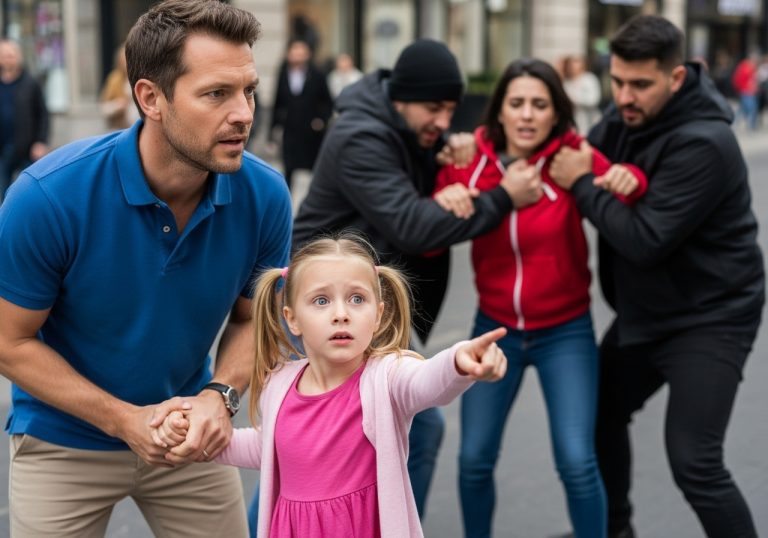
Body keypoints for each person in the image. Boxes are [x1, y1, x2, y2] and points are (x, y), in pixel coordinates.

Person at [0, 1, 292, 536]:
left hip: (191, 431)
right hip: (65, 440)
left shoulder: (266, 194)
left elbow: (255, 321)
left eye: (248, 90)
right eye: (216, 94)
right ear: (150, 98)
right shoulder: (47, 197)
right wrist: (124, 421)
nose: (244, 113)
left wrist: (219, 397)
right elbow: (8, 342)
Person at [549, 15, 764, 538]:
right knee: (599, 415)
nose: (624, 96)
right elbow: (572, 152)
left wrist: (585, 185)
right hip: (646, 314)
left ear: (676, 78)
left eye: (640, 85)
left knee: (696, 462)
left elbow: (644, 239)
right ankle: (614, 532)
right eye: (617, 81)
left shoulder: (705, 143)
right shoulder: (625, 119)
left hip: (711, 318)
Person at [291, 38, 522, 519]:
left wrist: (447, 154)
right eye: (434, 109)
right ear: (402, 99)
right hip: (324, 299)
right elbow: (413, 224)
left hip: (363, 299)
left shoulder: (407, 130)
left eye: (452, 110)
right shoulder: (361, 136)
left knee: (343, 442)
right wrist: (503, 198)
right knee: (337, 443)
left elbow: (425, 200)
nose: (444, 120)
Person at [154, 232, 509, 537]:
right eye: (321, 301)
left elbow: (428, 382)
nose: (342, 313)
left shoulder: (387, 376)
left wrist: (459, 361)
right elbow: (270, 446)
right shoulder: (280, 383)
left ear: (378, 313)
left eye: (357, 299)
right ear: (292, 319)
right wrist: (198, 436)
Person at [433, 58, 646, 538]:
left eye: (539, 104)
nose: (527, 115)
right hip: (494, 331)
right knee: (473, 460)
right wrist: (445, 199)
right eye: (517, 104)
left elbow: (629, 195)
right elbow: (430, 231)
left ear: (556, 112)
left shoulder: (572, 159)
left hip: (565, 333)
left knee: (577, 460)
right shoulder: (472, 162)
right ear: (500, 112)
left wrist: (631, 177)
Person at [268, 38, 333, 190]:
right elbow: (277, 102)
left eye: (301, 52)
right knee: (288, 168)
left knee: (314, 169)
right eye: (294, 51)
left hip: (311, 130)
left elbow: (327, 101)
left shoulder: (317, 74)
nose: (298, 55)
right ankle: (286, 202)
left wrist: (321, 120)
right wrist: (272, 131)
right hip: (290, 129)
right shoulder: (283, 72)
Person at [0, 38, 49, 202]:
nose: (9, 58)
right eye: (5, 55)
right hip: (2, 151)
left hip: (27, 151)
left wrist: (41, 141)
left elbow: (43, 114)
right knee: (3, 198)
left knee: (28, 196)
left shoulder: (31, 83)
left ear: (19, 57)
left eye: (12, 55)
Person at [100, 44, 140, 130]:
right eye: (125, 60)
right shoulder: (115, 79)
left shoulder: (142, 77)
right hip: (120, 128)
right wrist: (117, 105)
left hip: (140, 128)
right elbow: (104, 107)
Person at [562, 54, 602, 134]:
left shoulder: (589, 79)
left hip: (589, 121)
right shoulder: (566, 82)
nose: (573, 65)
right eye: (571, 62)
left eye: (576, 62)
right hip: (574, 123)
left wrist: (574, 99)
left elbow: (593, 100)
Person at [731, 52, 760, 131]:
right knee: (752, 108)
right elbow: (740, 80)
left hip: (748, 91)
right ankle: (751, 125)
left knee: (743, 109)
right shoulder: (746, 67)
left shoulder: (750, 67)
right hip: (746, 91)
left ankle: (736, 123)